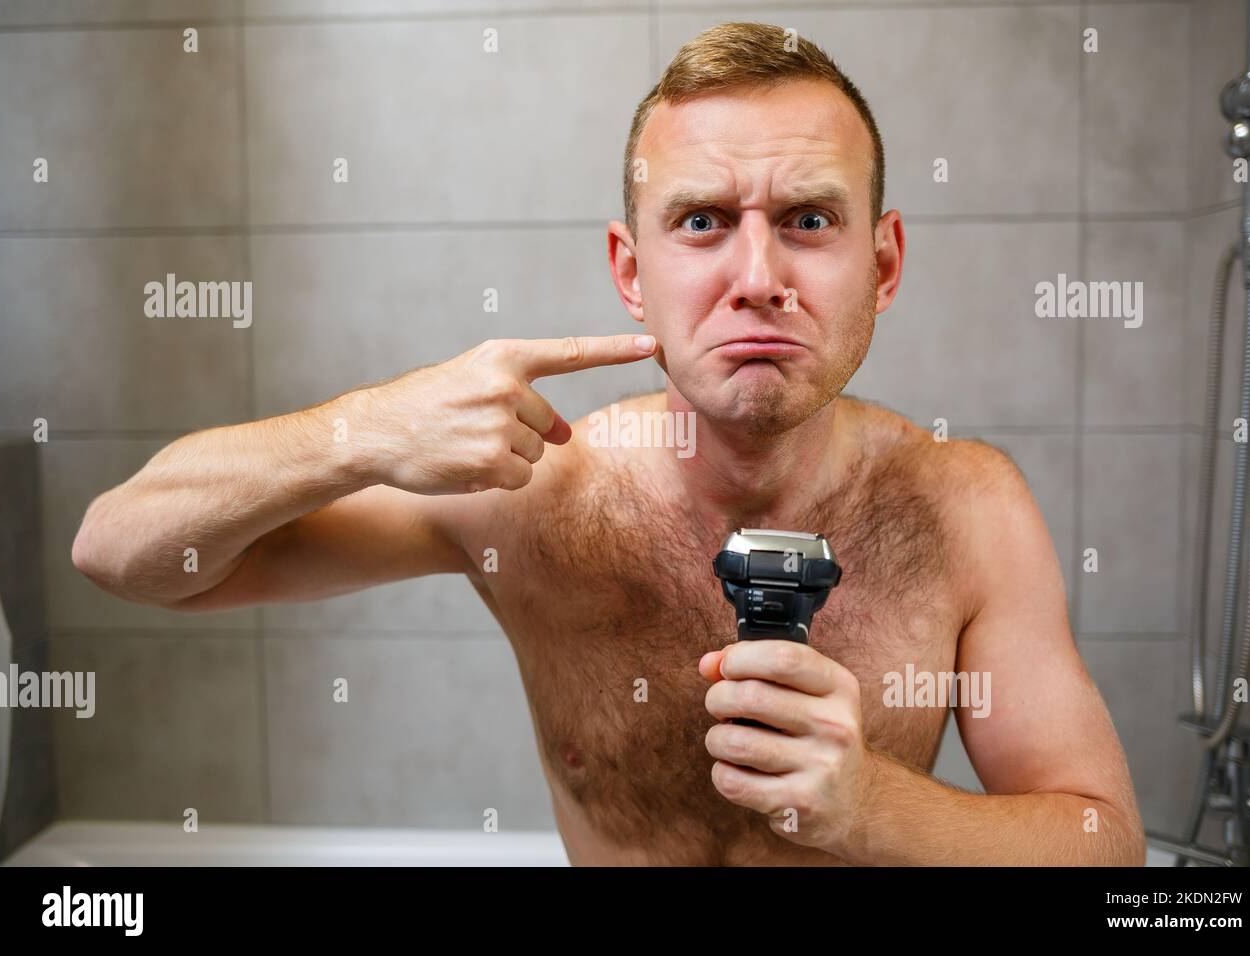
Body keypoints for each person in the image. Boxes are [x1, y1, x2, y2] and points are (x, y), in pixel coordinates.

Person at [71, 21, 1144, 866]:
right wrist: (366, 428)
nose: (757, 273)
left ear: (885, 261)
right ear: (632, 270)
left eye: (809, 220)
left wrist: (868, 808)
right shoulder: (531, 490)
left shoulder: (966, 509)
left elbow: (1107, 845)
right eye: (703, 221)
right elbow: (124, 552)